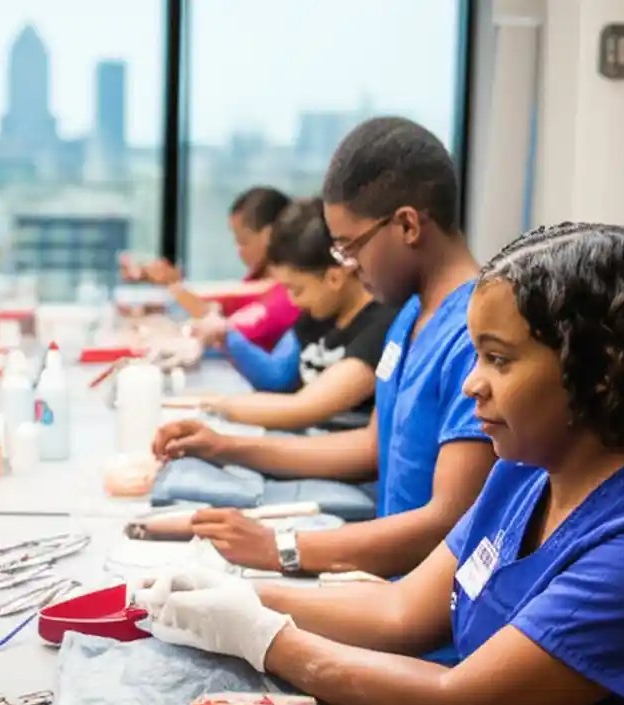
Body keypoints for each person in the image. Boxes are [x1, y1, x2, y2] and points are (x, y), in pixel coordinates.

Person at [137, 223, 624, 705]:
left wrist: (263, 636)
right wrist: (240, 594)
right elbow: (402, 611)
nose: (470, 385)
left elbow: (458, 703)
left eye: (498, 360)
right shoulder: (527, 472)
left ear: (601, 370)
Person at [154, 117, 496, 581]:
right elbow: (371, 447)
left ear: (408, 225)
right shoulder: (409, 315)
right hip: (381, 579)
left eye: (349, 247)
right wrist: (226, 446)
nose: (348, 266)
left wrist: (283, 547)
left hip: (426, 608)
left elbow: (447, 522)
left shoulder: (478, 337)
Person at [196, 196, 398, 424]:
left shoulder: (382, 329)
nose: (292, 301)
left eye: (297, 289)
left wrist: (217, 406)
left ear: (334, 277)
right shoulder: (315, 317)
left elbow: (302, 407)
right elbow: (278, 378)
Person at [122, 186, 299, 352]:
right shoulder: (256, 277)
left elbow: (224, 329)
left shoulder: (285, 292)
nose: (239, 250)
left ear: (269, 235)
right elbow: (217, 308)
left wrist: (174, 286)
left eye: (243, 241)